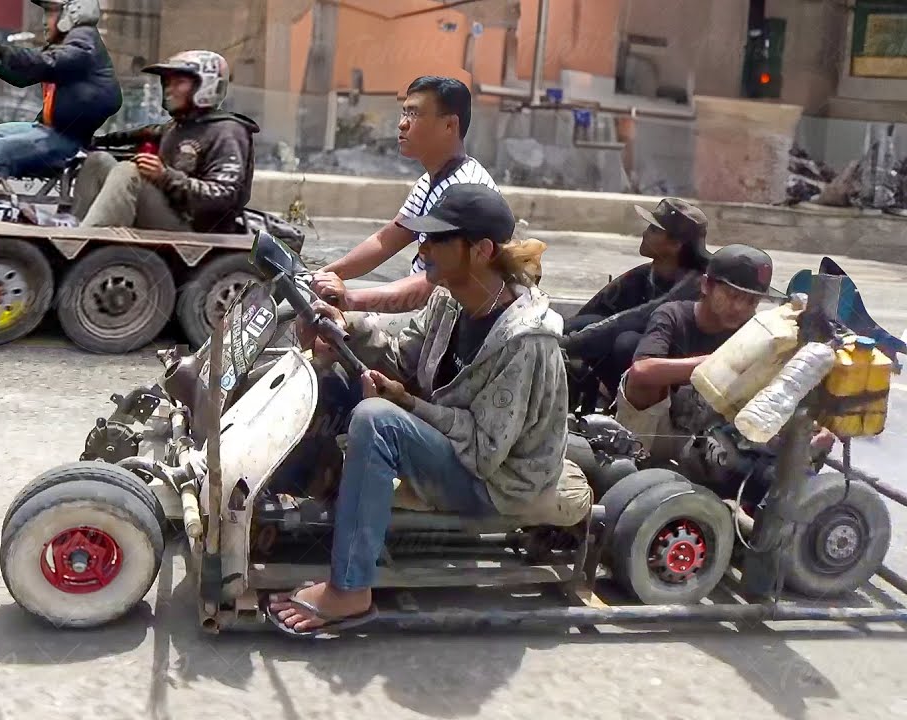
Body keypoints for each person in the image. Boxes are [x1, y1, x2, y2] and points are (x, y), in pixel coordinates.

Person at [266, 183, 587, 635]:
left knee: (376, 422)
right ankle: (277, 495)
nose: (424, 246)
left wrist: (407, 404)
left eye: (437, 238)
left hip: (495, 482)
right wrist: (345, 328)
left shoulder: (526, 341)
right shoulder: (450, 298)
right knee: (332, 381)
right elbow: (405, 358)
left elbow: (482, 452)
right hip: (457, 447)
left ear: (480, 250)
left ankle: (350, 591)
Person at [307, 76, 499, 314]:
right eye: (404, 112)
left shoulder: (466, 192)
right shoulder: (428, 182)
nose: (402, 124)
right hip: (426, 312)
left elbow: (436, 281)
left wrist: (350, 300)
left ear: (449, 125)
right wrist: (322, 276)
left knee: (328, 335)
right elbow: (385, 240)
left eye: (415, 114)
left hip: (448, 319)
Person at [615, 244, 786, 463]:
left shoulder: (756, 331)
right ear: (707, 285)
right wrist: (717, 363)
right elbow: (641, 371)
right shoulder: (673, 315)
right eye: (732, 295)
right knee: (643, 381)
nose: (740, 308)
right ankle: (630, 461)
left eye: (751, 301)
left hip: (713, 441)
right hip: (660, 432)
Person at [72, 50, 259, 233]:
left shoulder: (227, 130)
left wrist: (165, 176)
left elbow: (224, 195)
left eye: (179, 83)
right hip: (169, 211)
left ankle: (87, 240)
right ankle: (75, 227)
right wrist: (91, 140)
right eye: (167, 83)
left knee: (128, 171)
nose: (169, 90)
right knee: (98, 161)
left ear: (206, 85)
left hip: (195, 229)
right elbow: (138, 134)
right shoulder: (176, 127)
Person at [562, 198, 712, 397]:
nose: (644, 233)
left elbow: (638, 317)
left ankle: (630, 406)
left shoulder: (693, 286)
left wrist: (568, 343)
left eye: (653, 230)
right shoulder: (642, 275)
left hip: (674, 372)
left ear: (675, 244)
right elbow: (597, 310)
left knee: (627, 342)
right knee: (584, 323)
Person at [0, 0, 122, 178]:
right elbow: (22, 78)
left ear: (72, 13)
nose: (44, 21)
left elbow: (46, 62)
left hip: (68, 139)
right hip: (47, 129)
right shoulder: (65, 45)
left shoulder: (83, 43)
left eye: (50, 13)